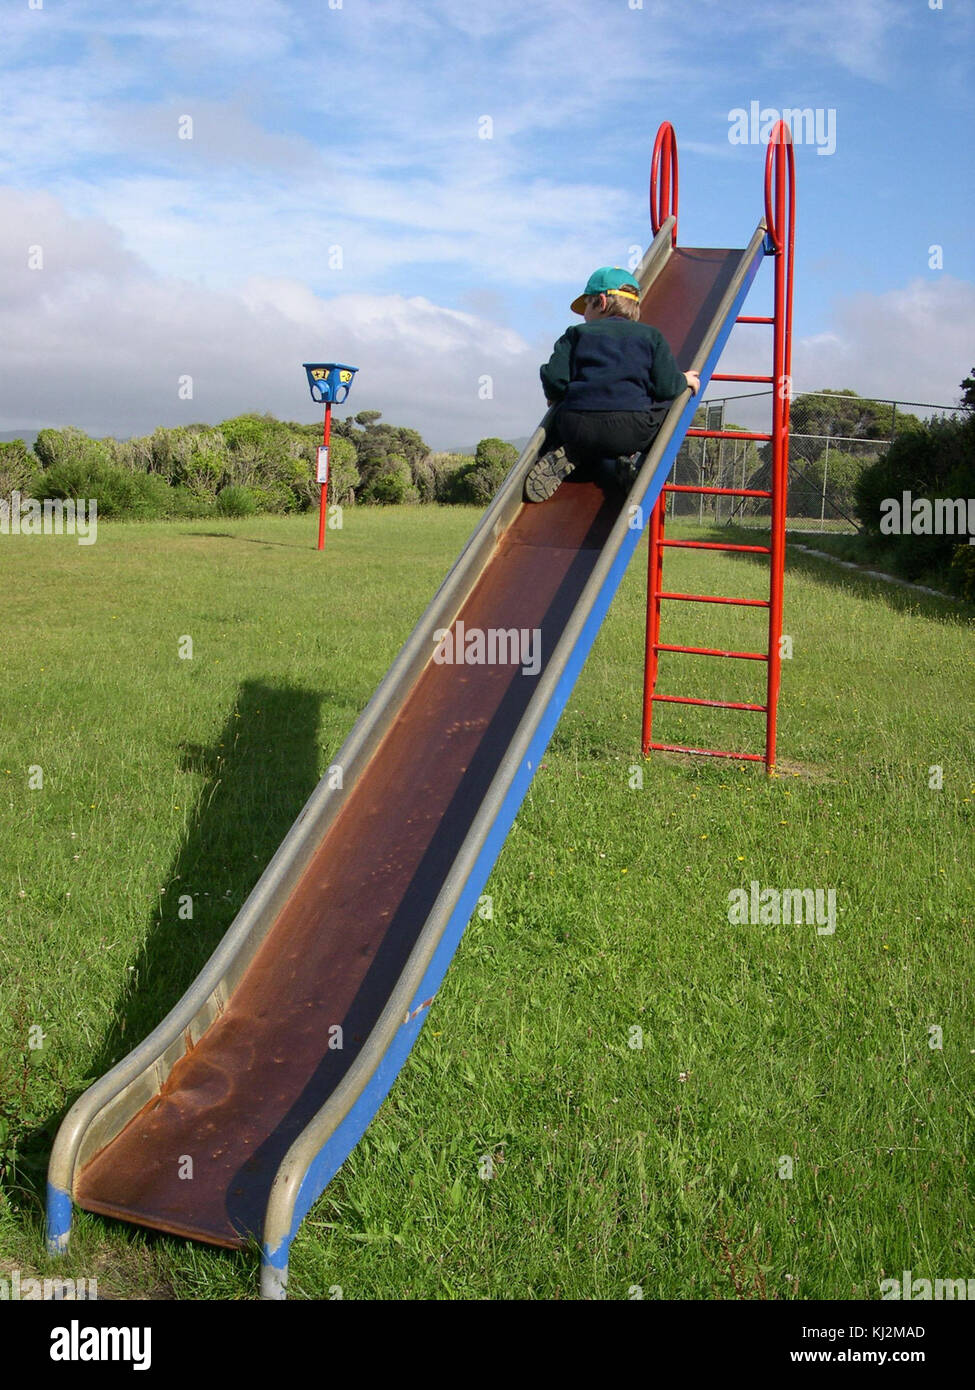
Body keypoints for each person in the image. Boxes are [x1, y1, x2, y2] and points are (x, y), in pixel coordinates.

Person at [524, 266, 700, 502]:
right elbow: (666, 386)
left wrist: (556, 394)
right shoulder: (651, 336)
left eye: (586, 305)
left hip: (577, 428)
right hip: (631, 432)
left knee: (566, 406)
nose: (583, 314)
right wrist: (683, 379)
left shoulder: (575, 334)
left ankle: (571, 453)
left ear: (602, 302)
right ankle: (638, 467)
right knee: (671, 409)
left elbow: (555, 379)